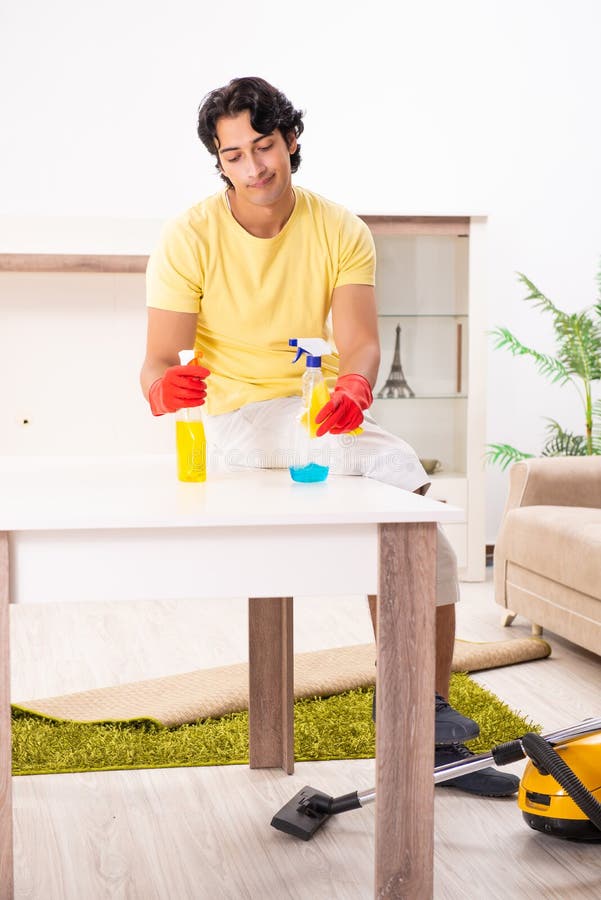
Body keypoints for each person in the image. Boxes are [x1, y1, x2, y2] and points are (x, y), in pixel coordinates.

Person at [140, 75, 518, 797]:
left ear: (290, 142)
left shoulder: (339, 227)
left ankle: (422, 716)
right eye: (233, 156)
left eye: (264, 147)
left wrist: (352, 384)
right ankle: (417, 717)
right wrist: (161, 386)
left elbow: (360, 342)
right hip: (238, 422)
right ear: (217, 164)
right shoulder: (189, 234)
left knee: (426, 547)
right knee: (401, 477)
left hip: (318, 412)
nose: (253, 168)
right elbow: (159, 358)